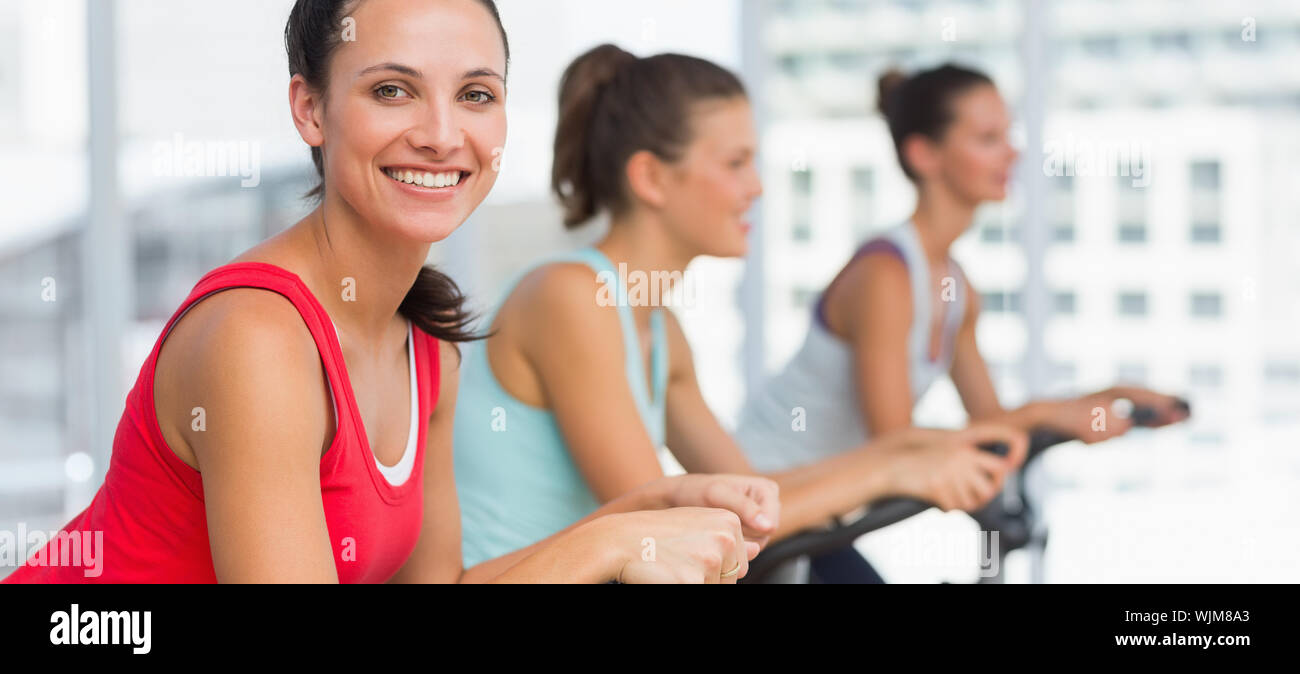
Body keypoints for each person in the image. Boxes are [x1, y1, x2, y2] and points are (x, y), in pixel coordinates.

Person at [2, 0, 780, 585]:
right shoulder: (259, 339)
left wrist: (635, 520)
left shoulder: (426, 343)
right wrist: (601, 546)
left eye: (476, 95)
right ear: (311, 109)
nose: (443, 135)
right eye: (393, 91)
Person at [453, 44, 1028, 576]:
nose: (756, 187)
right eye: (735, 163)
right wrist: (890, 468)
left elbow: (746, 491)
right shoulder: (569, 297)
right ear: (651, 177)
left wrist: (907, 454)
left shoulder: (662, 330)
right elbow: (667, 522)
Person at [734, 64, 1190, 581]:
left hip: (824, 516)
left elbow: (989, 420)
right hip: (766, 508)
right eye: (987, 138)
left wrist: (1101, 400)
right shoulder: (885, 274)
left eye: (1007, 134)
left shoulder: (956, 289)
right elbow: (896, 440)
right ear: (924, 154)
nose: (1012, 151)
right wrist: (1050, 412)